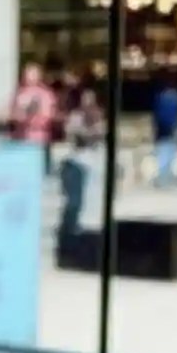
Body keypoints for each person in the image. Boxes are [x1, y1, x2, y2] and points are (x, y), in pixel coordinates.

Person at [58, 89, 106, 241]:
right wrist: (85, 133)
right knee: (75, 198)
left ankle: (86, 225)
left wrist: (89, 133)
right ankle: (71, 227)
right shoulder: (76, 115)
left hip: (92, 158)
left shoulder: (97, 115)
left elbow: (100, 132)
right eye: (84, 98)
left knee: (91, 195)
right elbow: (71, 132)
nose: (87, 101)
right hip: (78, 158)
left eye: (89, 98)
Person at [11, 63, 57, 171]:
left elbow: (48, 116)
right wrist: (20, 118)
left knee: (38, 170)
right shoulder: (19, 93)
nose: (28, 77)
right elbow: (13, 113)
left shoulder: (45, 94)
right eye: (26, 74)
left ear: (38, 76)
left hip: (39, 139)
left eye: (32, 74)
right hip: (20, 139)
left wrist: (33, 119)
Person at [152, 80, 177, 187]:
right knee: (167, 155)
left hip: (163, 132)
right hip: (168, 132)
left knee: (164, 155)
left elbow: (157, 117)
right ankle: (165, 178)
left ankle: (163, 178)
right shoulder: (173, 100)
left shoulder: (162, 99)